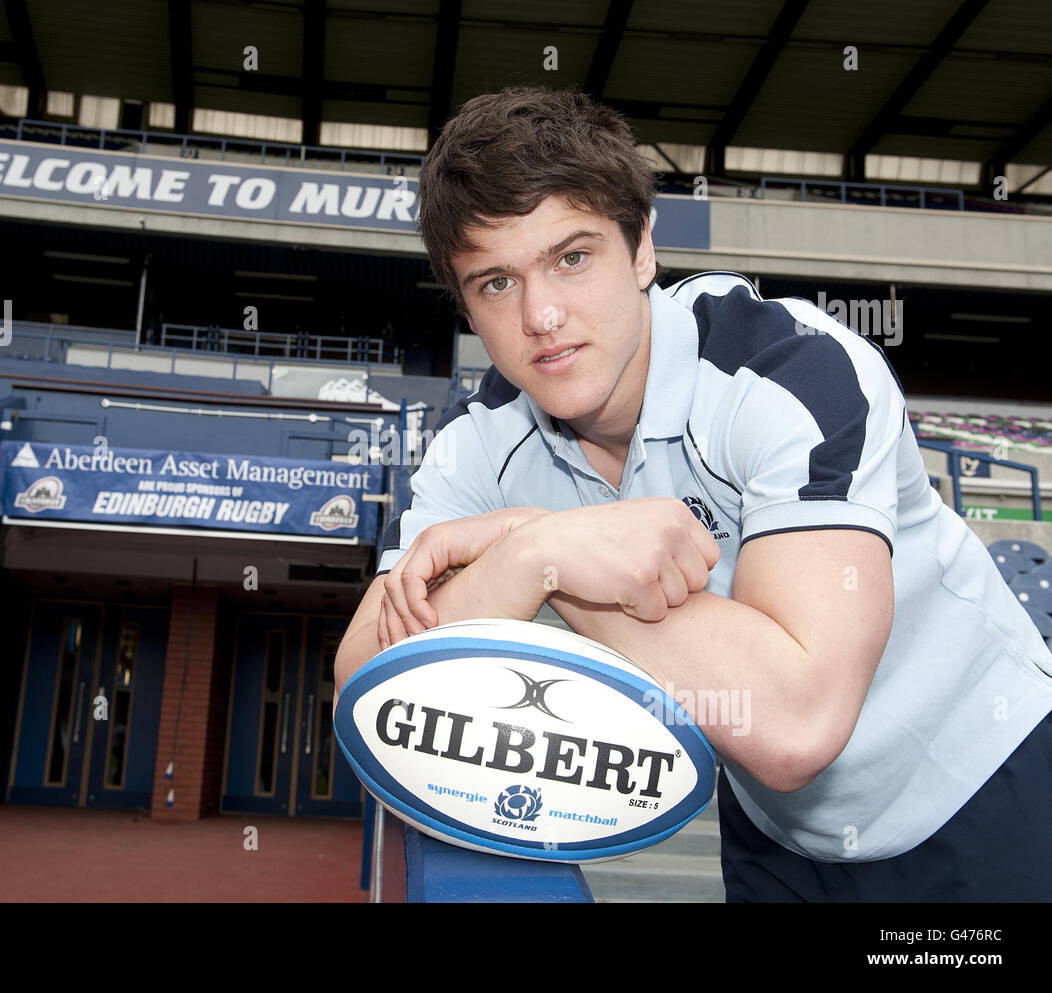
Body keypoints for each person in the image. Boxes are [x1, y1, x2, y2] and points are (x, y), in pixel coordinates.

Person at [332, 84, 1052, 901]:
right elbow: (368, 683)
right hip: (778, 830)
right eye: (495, 283)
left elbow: (796, 721)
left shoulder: (791, 370)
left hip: (982, 780)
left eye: (572, 257)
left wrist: (547, 561)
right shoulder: (475, 443)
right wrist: (540, 550)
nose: (542, 315)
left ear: (642, 248)